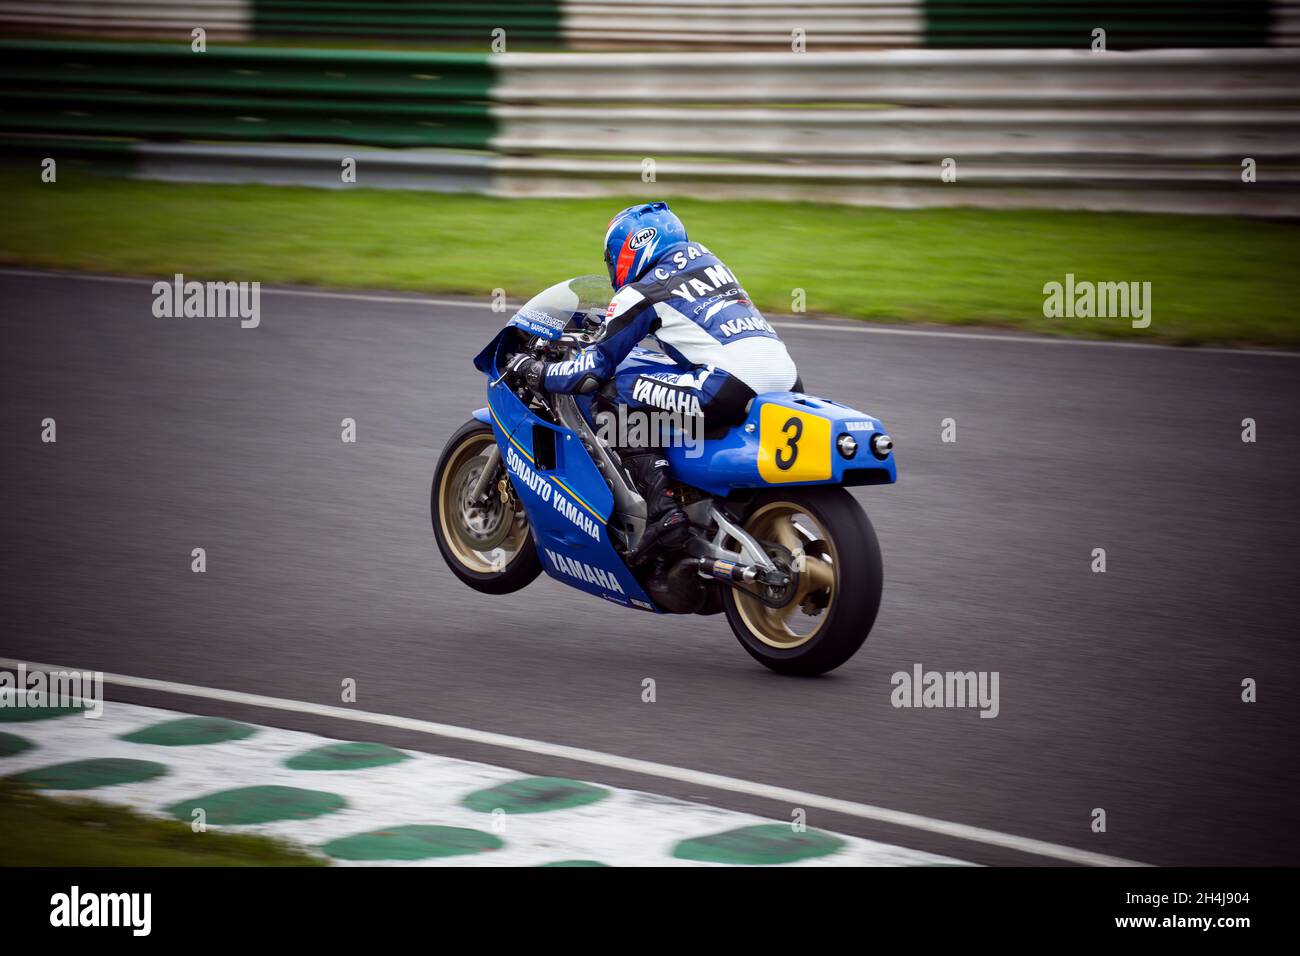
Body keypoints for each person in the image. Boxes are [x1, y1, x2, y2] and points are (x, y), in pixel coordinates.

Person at [507, 201, 799, 560]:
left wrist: (537, 372)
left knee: (613, 394)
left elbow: (590, 370)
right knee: (665, 393)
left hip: (728, 384)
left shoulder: (640, 291)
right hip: (786, 377)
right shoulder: (709, 261)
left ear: (630, 249)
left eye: (612, 259)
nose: (613, 269)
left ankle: (665, 515)